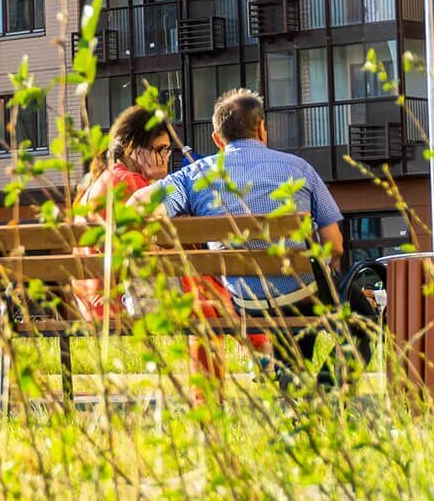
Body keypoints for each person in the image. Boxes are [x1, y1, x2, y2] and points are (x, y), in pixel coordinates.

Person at [138, 88, 355, 387]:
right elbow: (336, 244)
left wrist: (164, 236)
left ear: (217, 139)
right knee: (359, 315)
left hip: (242, 301)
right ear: (262, 129)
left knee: (280, 303)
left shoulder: (194, 176)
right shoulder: (299, 168)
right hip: (301, 296)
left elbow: (138, 205)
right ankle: (326, 385)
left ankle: (292, 387)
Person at [72, 105, 178, 318]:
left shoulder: (100, 180)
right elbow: (166, 244)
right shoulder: (129, 183)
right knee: (205, 285)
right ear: (132, 148)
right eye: (159, 149)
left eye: (167, 150)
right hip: (121, 304)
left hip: (95, 307)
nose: (165, 157)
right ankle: (259, 344)